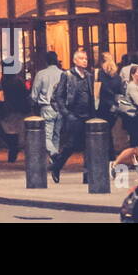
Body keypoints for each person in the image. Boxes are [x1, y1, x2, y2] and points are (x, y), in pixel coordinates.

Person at [49, 48, 94, 183]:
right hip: (74, 114)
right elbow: (59, 96)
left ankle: (87, 175)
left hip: (88, 115)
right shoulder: (67, 75)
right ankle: (57, 165)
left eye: (86, 59)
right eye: (81, 58)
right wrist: (66, 114)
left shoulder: (89, 76)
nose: (84, 61)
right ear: (75, 61)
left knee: (89, 146)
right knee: (71, 145)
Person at [0, 64, 31, 163]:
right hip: (18, 110)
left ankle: (13, 148)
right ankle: (14, 149)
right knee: (15, 130)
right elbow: (25, 94)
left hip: (5, 109)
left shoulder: (1, 81)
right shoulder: (18, 81)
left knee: (6, 131)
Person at [30, 51, 63, 162]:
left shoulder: (41, 74)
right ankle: (55, 161)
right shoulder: (63, 74)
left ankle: (54, 155)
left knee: (46, 136)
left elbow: (34, 94)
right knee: (56, 135)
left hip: (46, 107)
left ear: (46, 61)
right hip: (60, 107)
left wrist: (33, 102)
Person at [95, 55, 123, 155]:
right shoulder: (117, 77)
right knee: (109, 131)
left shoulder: (99, 74)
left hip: (101, 106)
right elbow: (120, 93)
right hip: (113, 108)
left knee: (101, 131)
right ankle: (111, 154)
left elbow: (96, 91)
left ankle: (105, 154)